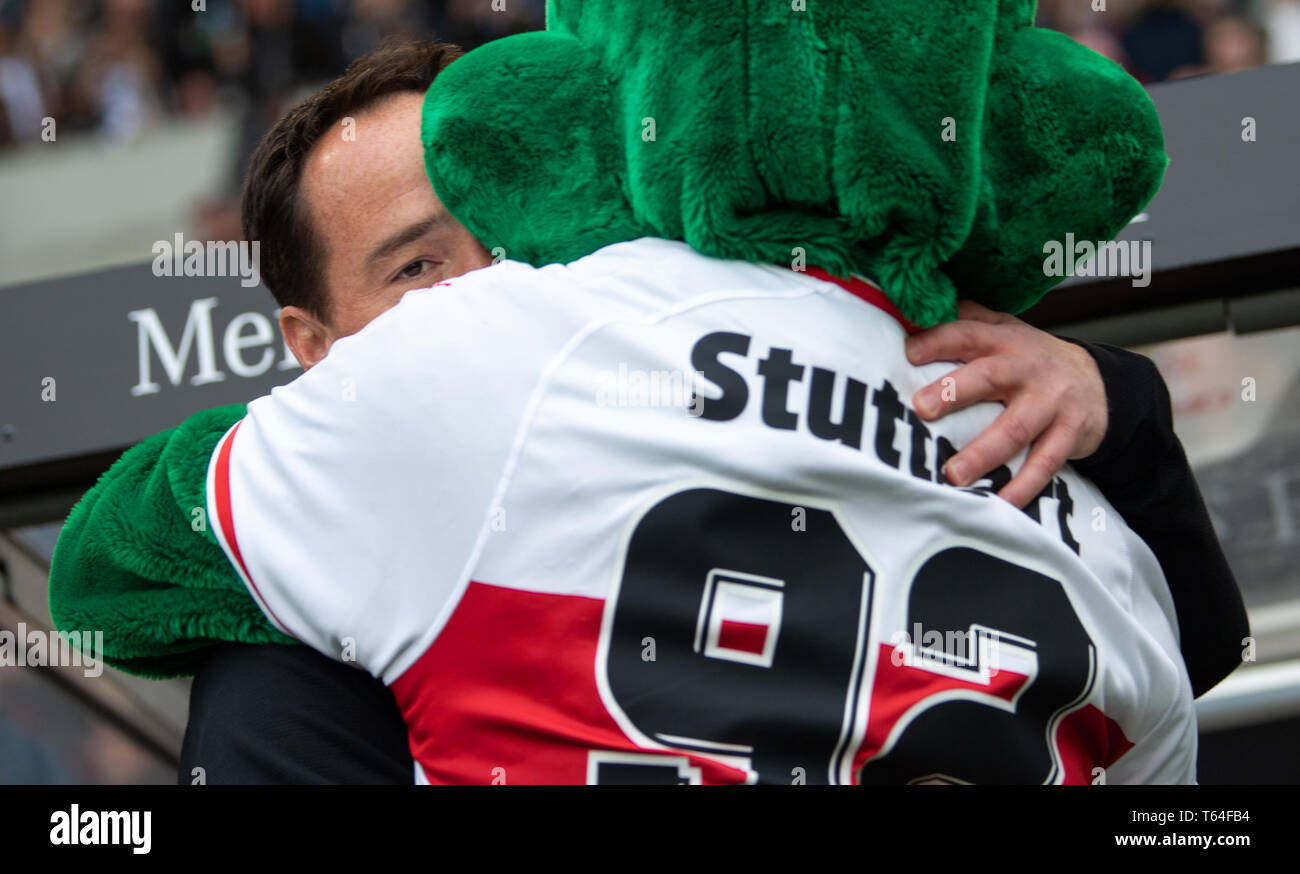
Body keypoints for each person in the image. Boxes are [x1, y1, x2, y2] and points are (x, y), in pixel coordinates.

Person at [50, 9, 1245, 783]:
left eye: (510, 229)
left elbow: (106, 568)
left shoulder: (1018, 403)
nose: (495, 279)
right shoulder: (289, 662)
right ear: (309, 344)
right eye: (420, 267)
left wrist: (1110, 394)